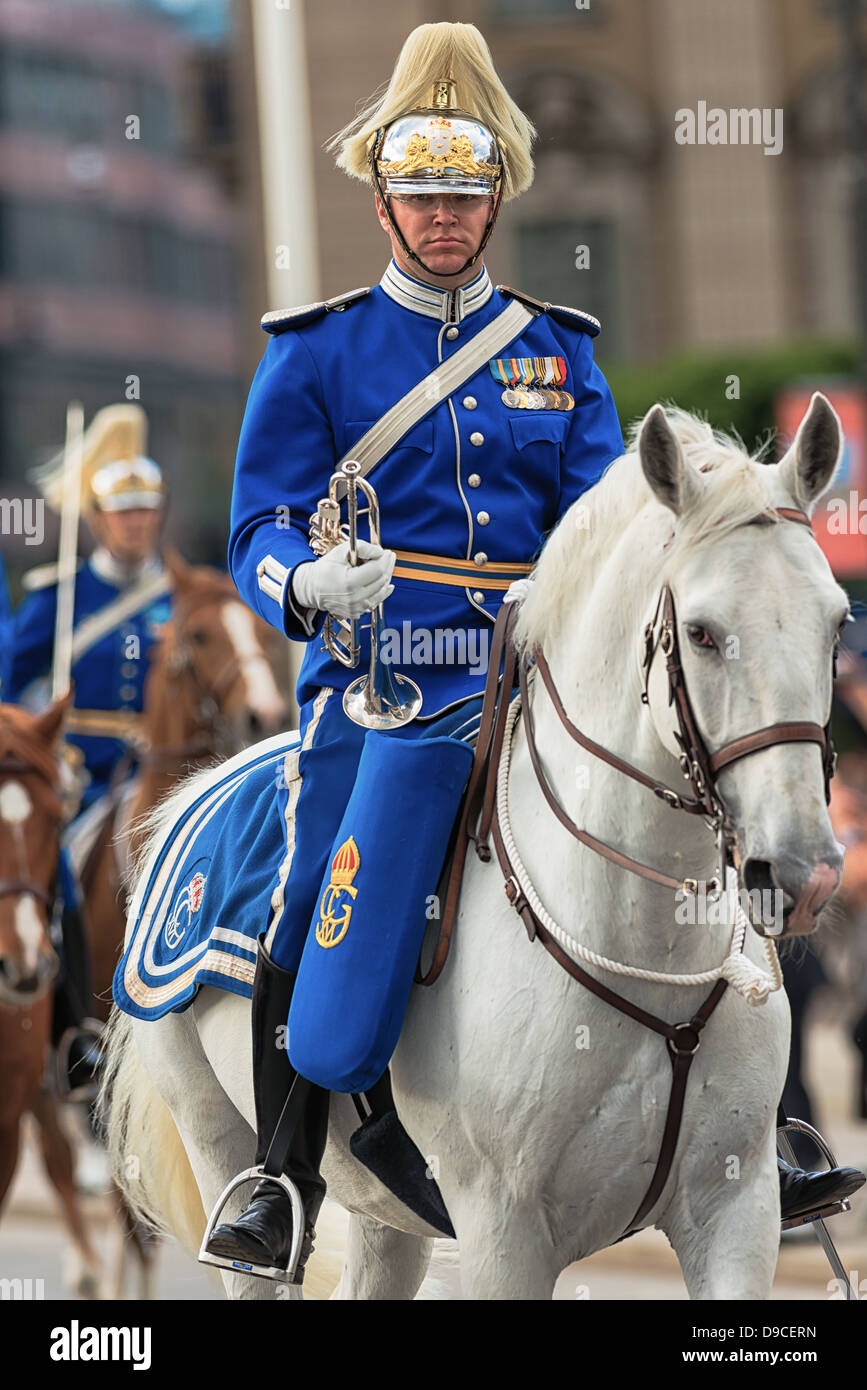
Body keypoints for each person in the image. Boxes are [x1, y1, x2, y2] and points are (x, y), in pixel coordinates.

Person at [204, 22, 863, 1283]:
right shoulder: (317, 351)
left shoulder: (557, 350)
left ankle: (766, 1127)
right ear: (385, 199)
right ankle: (281, 1174)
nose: (445, 215)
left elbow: (614, 522)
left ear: (495, 196)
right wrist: (305, 579)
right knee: (316, 877)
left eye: (465, 193)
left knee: (720, 821)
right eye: (423, 194)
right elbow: (257, 524)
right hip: (388, 683)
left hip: (536, 665)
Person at [7, 404, 172, 1096]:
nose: (135, 524)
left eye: (145, 512)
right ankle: (77, 1030)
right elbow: (8, 690)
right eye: (122, 513)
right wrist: (44, 754)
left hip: (170, 773)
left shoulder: (179, 596)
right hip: (83, 777)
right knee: (67, 875)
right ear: (98, 520)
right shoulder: (60, 596)